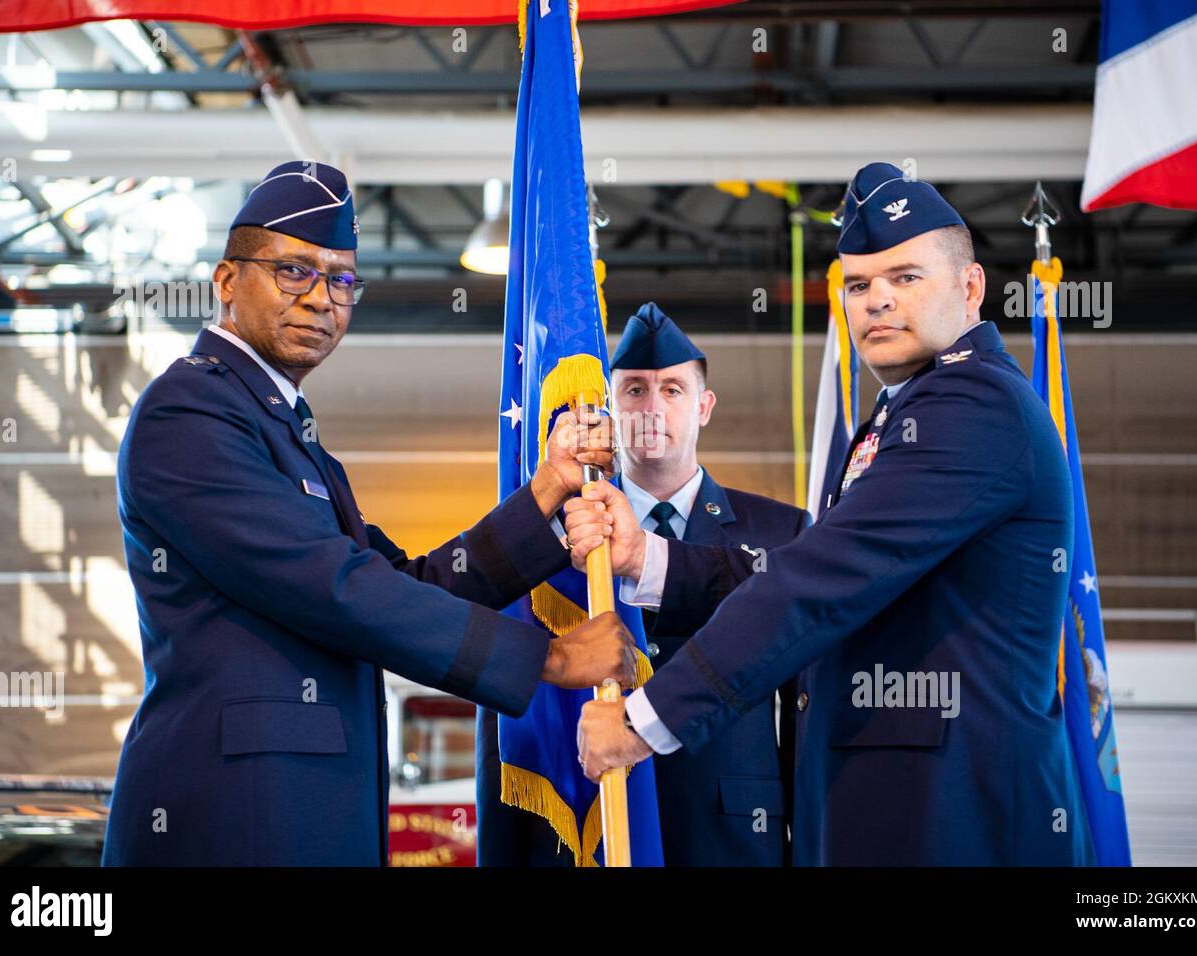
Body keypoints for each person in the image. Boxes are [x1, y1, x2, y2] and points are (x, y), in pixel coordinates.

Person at [102, 161, 634, 866]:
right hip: (236, 821)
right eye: (294, 271)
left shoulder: (289, 433)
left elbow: (404, 582)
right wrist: (553, 655)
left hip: (306, 820)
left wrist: (543, 496)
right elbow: (336, 588)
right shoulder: (190, 411)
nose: (322, 299)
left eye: (342, 279)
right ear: (226, 282)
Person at [567, 162, 1096, 866]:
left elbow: (819, 582)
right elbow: (809, 568)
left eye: (905, 278)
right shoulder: (906, 409)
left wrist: (645, 720)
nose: (876, 300)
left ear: (970, 289)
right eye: (857, 284)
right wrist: (647, 560)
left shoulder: (973, 407)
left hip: (955, 824)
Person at [476, 303, 808, 866]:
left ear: (704, 407)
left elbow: (802, 706)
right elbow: (507, 704)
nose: (652, 408)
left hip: (730, 835)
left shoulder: (779, 530)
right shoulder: (552, 530)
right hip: (591, 827)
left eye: (673, 390)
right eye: (632, 391)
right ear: (608, 408)